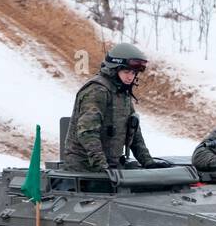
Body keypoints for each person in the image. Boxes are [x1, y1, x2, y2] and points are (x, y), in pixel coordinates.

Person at [62, 42, 168, 183]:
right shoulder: (97, 91)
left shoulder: (122, 93)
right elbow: (87, 133)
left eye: (133, 72)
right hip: (85, 170)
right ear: (114, 70)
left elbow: (134, 132)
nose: (130, 77)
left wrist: (148, 162)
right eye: (126, 72)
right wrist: (103, 167)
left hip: (109, 168)